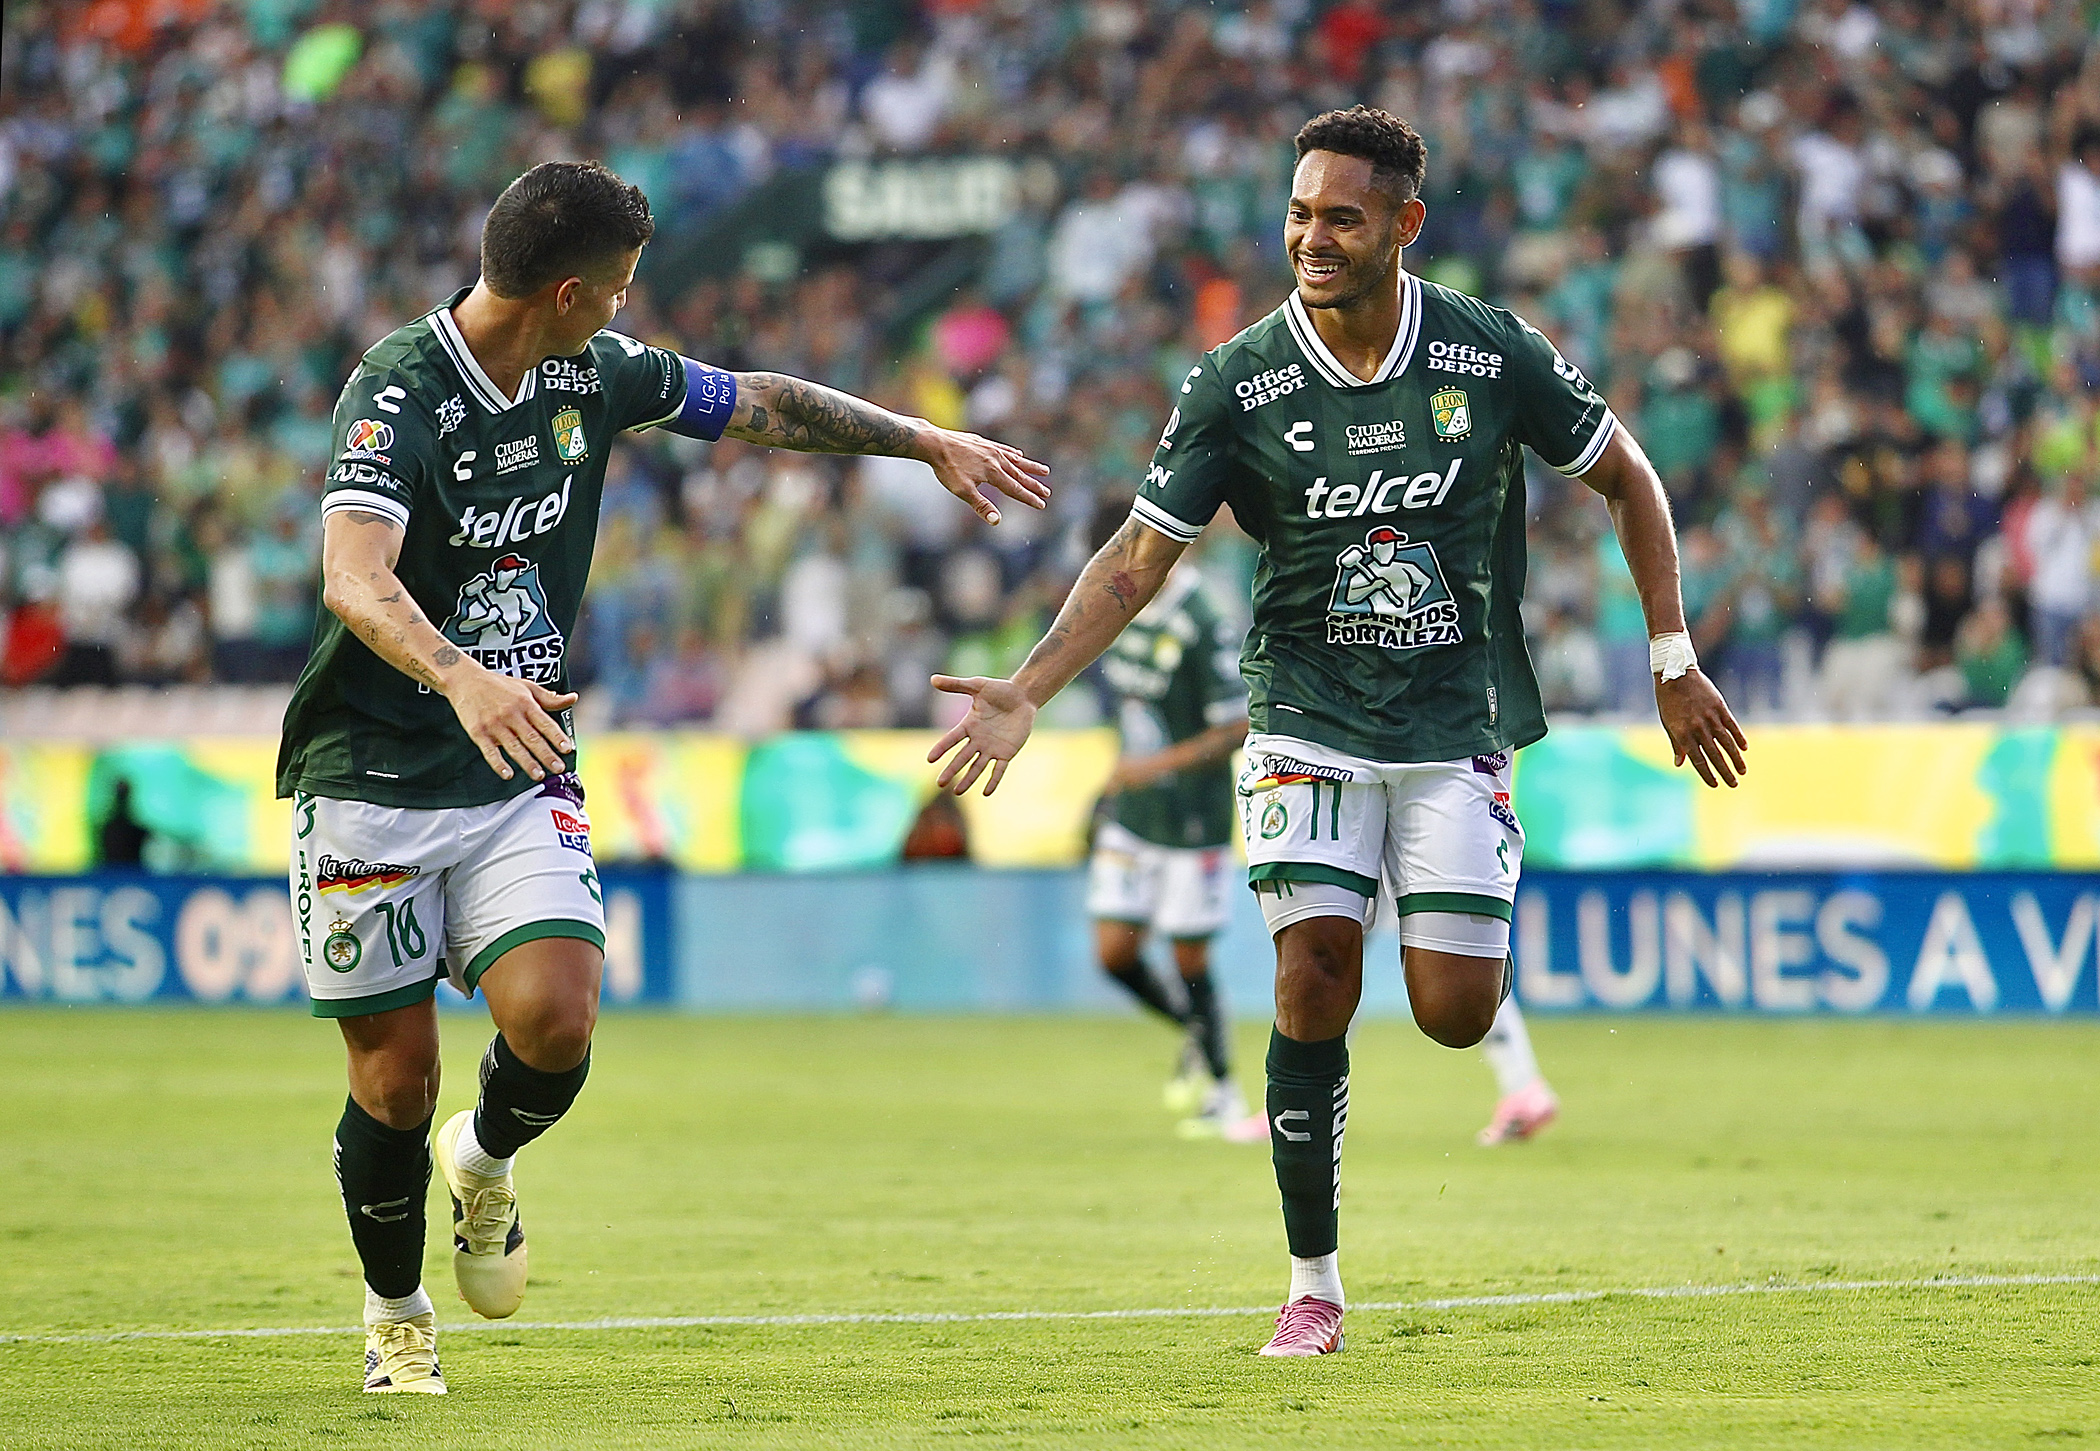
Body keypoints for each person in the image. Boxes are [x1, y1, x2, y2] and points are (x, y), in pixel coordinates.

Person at [927, 107, 1743, 1358]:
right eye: (1300, 212)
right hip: (1304, 713)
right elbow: (1141, 555)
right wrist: (1030, 683)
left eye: (1341, 217)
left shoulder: (1486, 351)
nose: (1311, 236)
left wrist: (1672, 654)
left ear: (1404, 226)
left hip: (1454, 716)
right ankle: (1313, 1282)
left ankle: (1463, 927)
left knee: (1457, 1010)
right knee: (1313, 971)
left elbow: (1628, 474)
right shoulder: (1237, 377)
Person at [276, 161, 1048, 1395]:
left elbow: (760, 403)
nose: (632, 312)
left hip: (516, 761)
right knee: (394, 1079)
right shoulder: (399, 387)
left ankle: (484, 1159)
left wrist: (923, 440)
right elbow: (353, 577)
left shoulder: (595, 371)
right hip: (370, 771)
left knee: (558, 1020)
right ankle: (396, 1309)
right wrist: (467, 676)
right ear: (570, 289)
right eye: (622, 289)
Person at [1080, 498, 1255, 1139]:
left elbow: (1236, 725)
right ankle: (1195, 1031)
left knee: (1188, 960)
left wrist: (1150, 768)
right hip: (1132, 813)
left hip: (1191, 817)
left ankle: (1227, 1094)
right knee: (1114, 953)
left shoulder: (1203, 616)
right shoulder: (1118, 605)